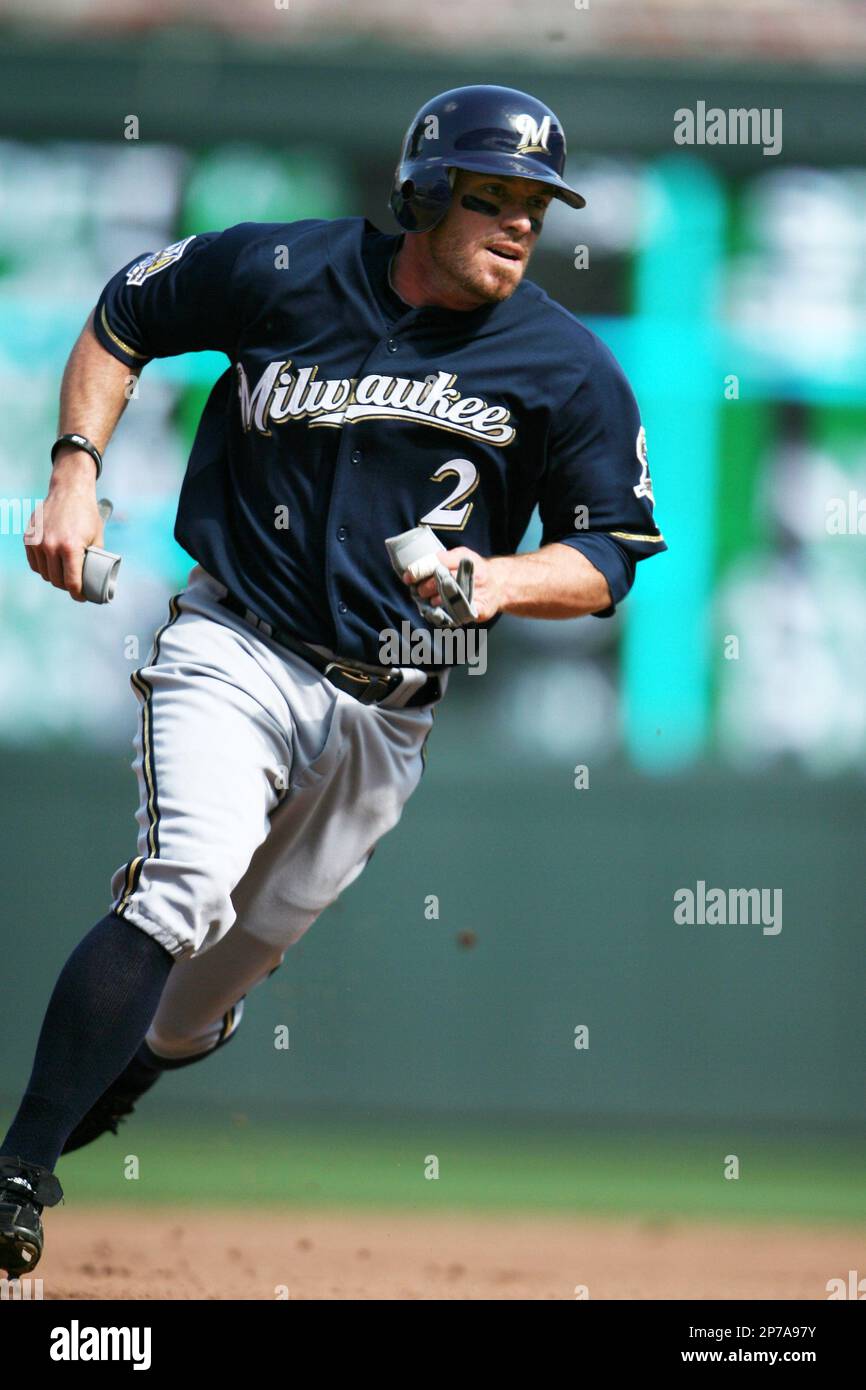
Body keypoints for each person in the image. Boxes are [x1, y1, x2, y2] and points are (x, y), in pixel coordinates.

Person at [0, 84, 665, 1277]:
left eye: (535, 205)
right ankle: (17, 1173)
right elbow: (123, 318)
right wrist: (74, 468)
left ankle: (116, 1080)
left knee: (194, 1001)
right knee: (181, 889)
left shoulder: (566, 368)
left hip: (387, 714)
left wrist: (502, 582)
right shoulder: (280, 268)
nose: (519, 224)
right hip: (235, 644)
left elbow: (612, 550)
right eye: (491, 197)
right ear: (421, 193)